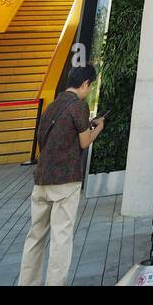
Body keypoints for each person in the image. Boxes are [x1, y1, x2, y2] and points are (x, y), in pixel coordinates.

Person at [19, 64, 104, 286]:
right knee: (61, 239)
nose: (89, 90)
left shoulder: (53, 106)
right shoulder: (78, 106)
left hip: (42, 180)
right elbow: (84, 142)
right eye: (90, 86)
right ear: (85, 84)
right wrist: (98, 128)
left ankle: (27, 283)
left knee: (35, 237)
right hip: (65, 182)